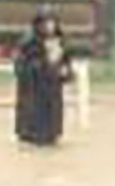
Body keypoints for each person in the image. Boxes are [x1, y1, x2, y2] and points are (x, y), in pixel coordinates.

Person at [13, 13, 72, 148]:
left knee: (53, 112)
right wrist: (44, 64)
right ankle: (30, 134)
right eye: (47, 23)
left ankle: (52, 133)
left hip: (52, 88)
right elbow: (22, 65)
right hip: (34, 89)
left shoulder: (60, 41)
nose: (50, 26)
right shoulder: (29, 42)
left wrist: (65, 70)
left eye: (53, 22)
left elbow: (66, 61)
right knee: (32, 112)